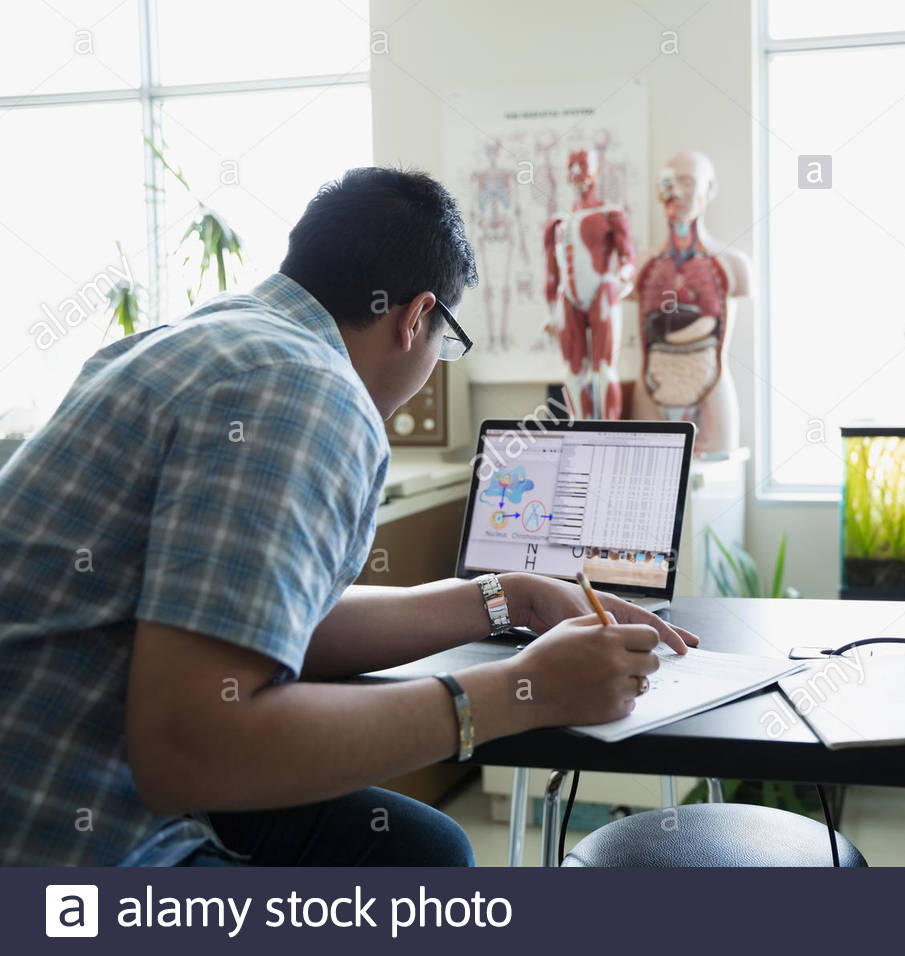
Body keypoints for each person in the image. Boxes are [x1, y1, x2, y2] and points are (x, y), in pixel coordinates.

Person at [0, 167, 698, 867]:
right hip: (68, 844)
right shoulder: (306, 390)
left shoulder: (201, 341)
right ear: (417, 317)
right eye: (446, 340)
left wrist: (508, 594)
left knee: (424, 850)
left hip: (79, 781)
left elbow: (267, 622)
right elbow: (192, 746)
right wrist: (527, 691)